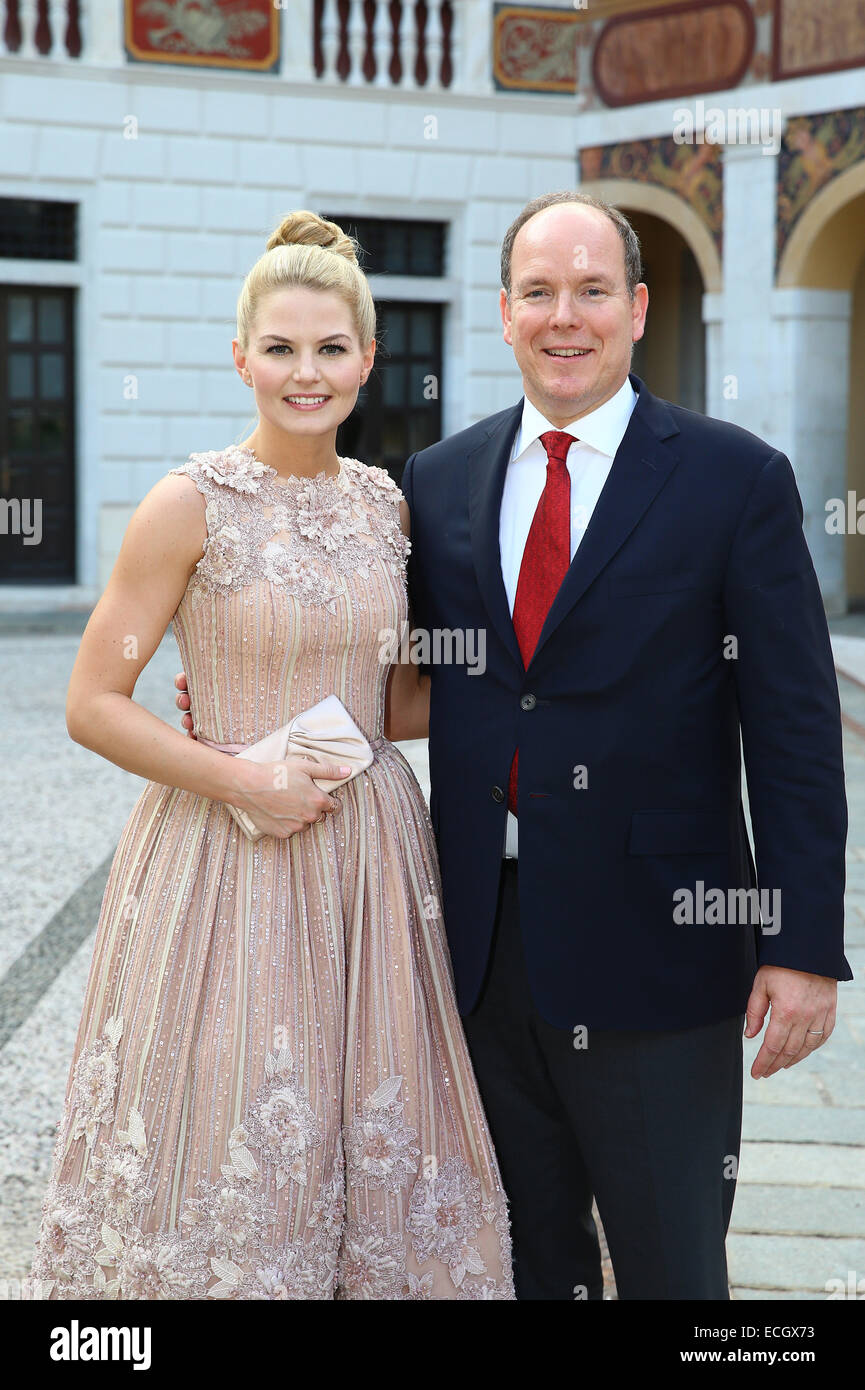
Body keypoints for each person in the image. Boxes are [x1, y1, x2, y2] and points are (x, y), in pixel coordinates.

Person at [180, 191, 851, 1301]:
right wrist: (248, 710)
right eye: (539, 292)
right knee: (519, 1263)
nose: (564, 316)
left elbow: (794, 730)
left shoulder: (735, 479)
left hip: (659, 953)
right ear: (503, 313)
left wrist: (802, 945)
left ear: (637, 309)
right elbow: (401, 675)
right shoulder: (438, 481)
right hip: (474, 954)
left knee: (673, 1270)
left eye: (592, 290)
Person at [28, 211, 514, 1301]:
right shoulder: (187, 504)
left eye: (331, 348)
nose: (307, 373)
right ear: (240, 357)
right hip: (221, 851)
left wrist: (544, 683)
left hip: (372, 854)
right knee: (231, 1106)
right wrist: (243, 777)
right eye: (282, 348)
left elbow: (394, 699)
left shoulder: (389, 508)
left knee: (373, 1100)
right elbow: (92, 703)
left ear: (368, 359)